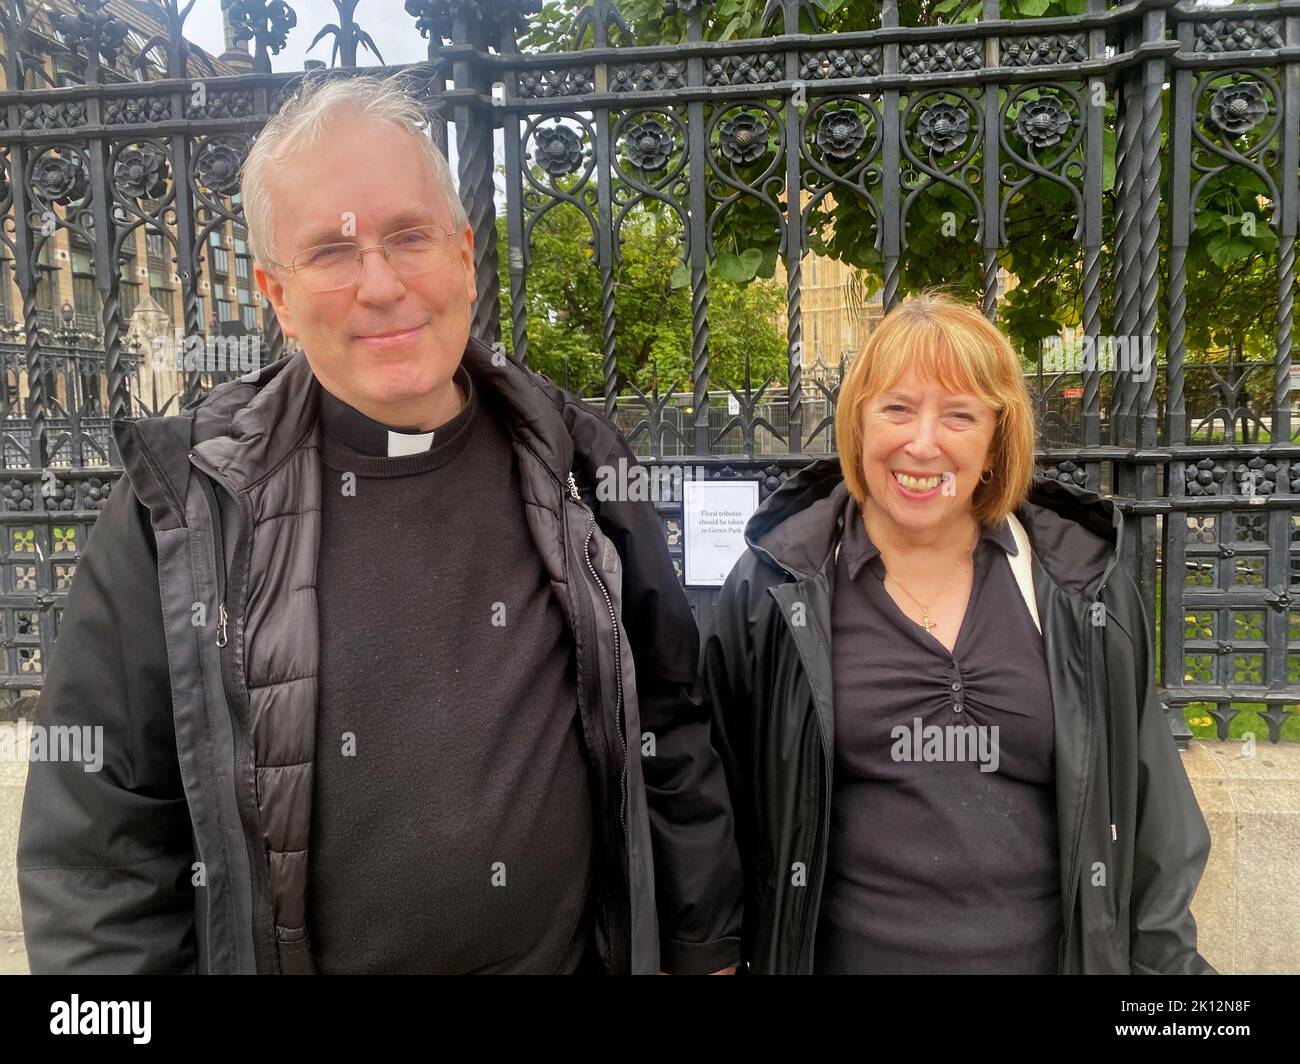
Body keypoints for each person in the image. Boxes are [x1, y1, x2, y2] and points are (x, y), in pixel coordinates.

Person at [17, 73, 742, 975]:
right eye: (330, 250)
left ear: (466, 253)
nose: (382, 283)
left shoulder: (580, 462)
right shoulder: (187, 504)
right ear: (274, 292)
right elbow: (101, 837)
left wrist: (706, 947)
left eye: (409, 236)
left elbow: (667, 719)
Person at [700, 291, 1215, 974]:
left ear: (997, 439)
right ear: (858, 421)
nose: (922, 442)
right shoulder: (775, 586)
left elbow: (1153, 818)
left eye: (959, 415)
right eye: (897, 408)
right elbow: (715, 800)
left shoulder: (1078, 584)